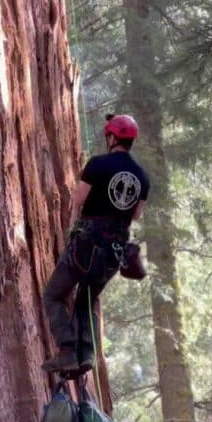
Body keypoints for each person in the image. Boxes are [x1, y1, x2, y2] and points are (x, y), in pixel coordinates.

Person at [41, 114, 149, 373]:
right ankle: (87, 354)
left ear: (111, 137)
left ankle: (68, 351)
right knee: (87, 300)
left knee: (54, 295)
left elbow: (78, 200)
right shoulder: (142, 177)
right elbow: (136, 214)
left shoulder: (98, 164)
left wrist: (70, 229)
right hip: (114, 251)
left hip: (87, 243)